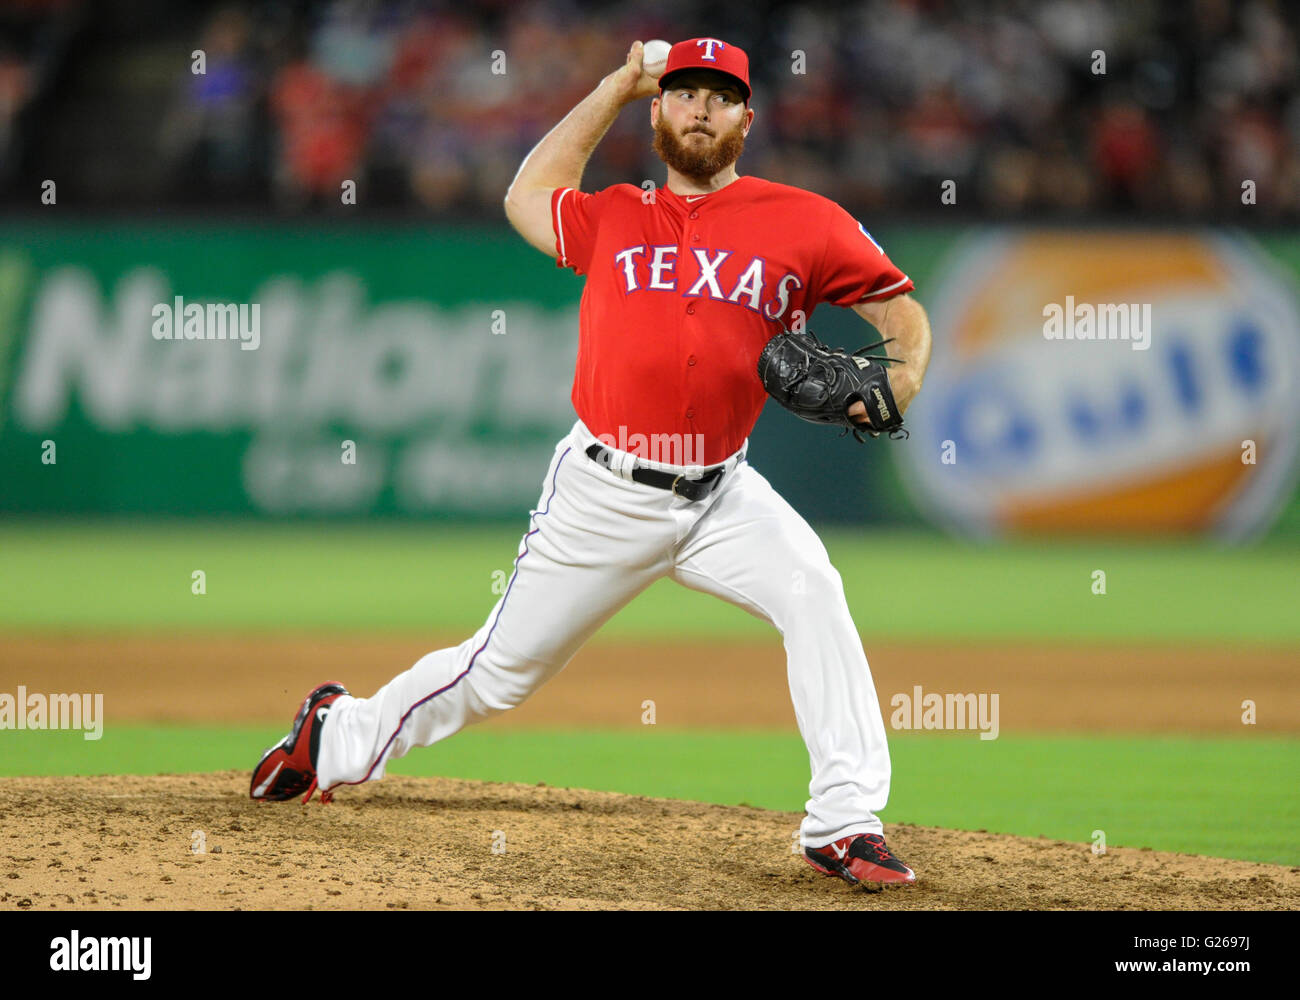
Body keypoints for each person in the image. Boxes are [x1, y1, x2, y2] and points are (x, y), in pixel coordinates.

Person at [251, 37, 933, 889]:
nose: (700, 108)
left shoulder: (806, 221)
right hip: (604, 493)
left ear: (745, 119)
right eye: (683, 92)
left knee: (814, 590)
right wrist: (612, 84)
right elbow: (526, 194)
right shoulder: (613, 215)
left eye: (719, 97)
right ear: (658, 109)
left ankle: (844, 823)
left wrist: (900, 380)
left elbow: (901, 315)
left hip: (723, 492)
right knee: (496, 676)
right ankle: (336, 733)